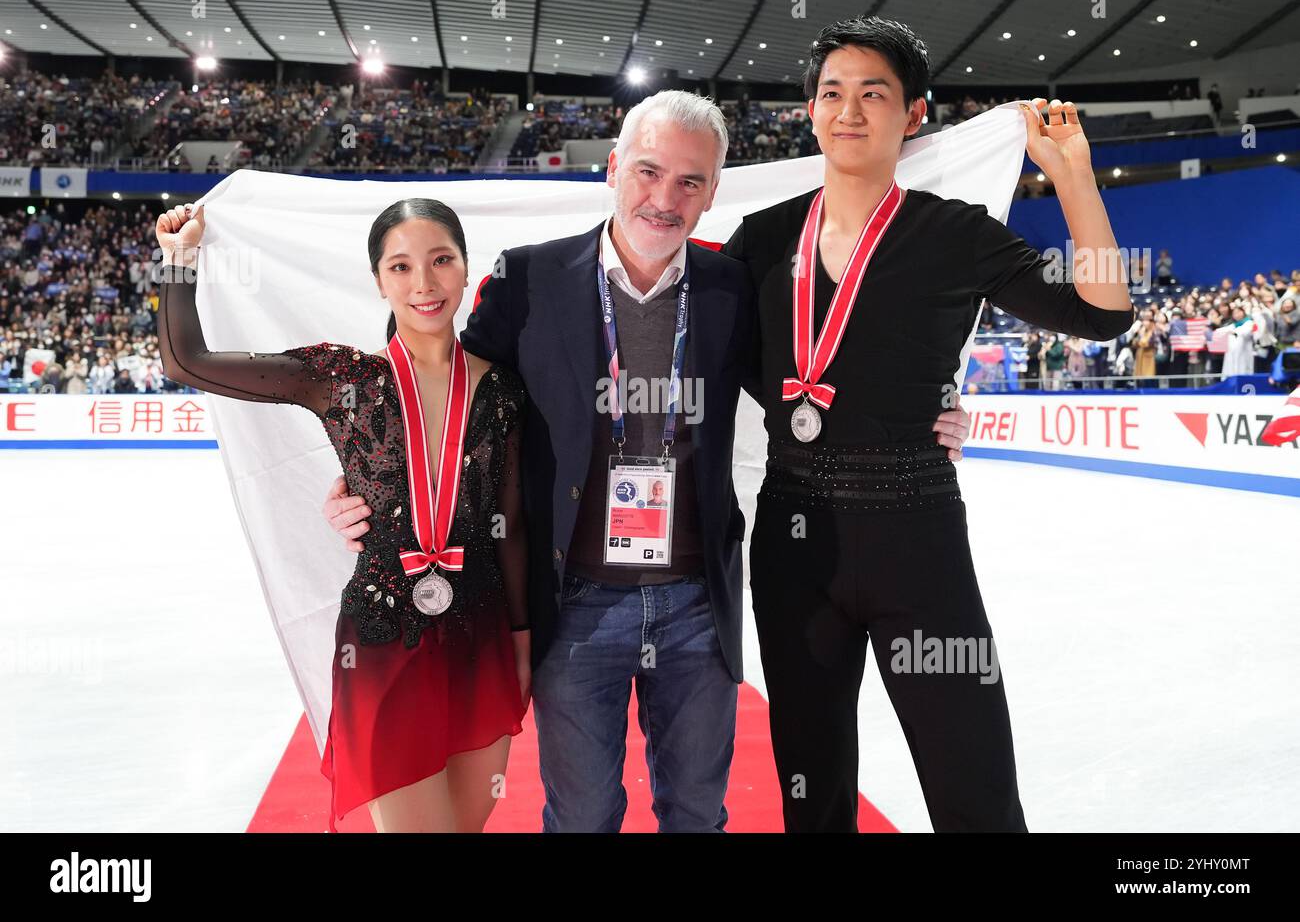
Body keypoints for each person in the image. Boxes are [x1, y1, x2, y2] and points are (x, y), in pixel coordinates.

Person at [321, 89, 974, 832]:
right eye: (648, 171)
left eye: (690, 182)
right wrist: (372, 473)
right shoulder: (528, 281)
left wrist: (922, 419)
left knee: (697, 812)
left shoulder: (734, 286)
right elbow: (446, 386)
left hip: (696, 603)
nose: (665, 198)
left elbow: (810, 386)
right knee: (584, 815)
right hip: (574, 606)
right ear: (612, 168)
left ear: (712, 193)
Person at [719, 15, 1134, 832]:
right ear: (809, 112)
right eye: (831, 93)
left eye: (874, 94)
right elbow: (721, 363)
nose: (849, 111)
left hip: (920, 541)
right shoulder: (760, 241)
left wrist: (1075, 177)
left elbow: (1100, 312)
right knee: (813, 786)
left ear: (913, 115)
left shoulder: (954, 234)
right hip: (795, 544)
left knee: (972, 785)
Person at [154, 198, 530, 833]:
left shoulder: (503, 390)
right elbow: (185, 361)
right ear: (377, 279)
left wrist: (521, 648)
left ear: (466, 269)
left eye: (441, 261)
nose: (424, 283)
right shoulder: (342, 378)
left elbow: (512, 529)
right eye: (401, 266)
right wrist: (178, 262)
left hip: (483, 637)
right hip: (384, 642)